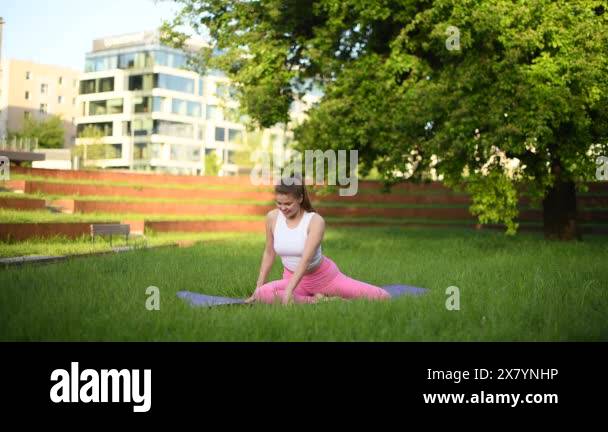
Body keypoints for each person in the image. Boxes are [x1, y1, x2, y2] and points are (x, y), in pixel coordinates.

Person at [245, 176, 390, 305]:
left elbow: (305, 260)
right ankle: (319, 301)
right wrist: (258, 287)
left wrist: (289, 291)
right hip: (292, 278)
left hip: (323, 278)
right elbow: (269, 253)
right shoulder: (272, 218)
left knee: (382, 297)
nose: (283, 208)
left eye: (288, 204)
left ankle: (310, 298)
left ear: (300, 199)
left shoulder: (315, 221)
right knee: (262, 294)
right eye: (279, 203)